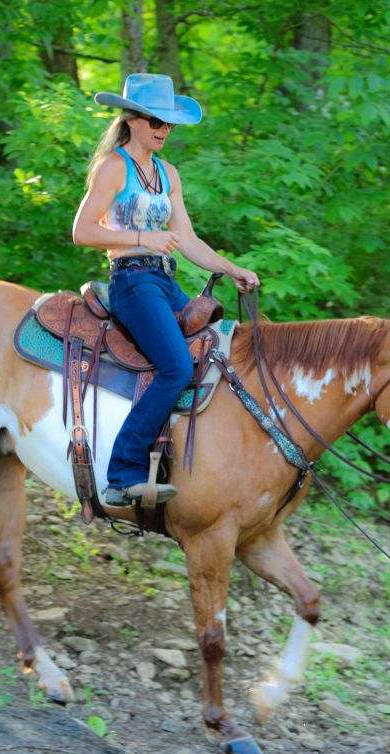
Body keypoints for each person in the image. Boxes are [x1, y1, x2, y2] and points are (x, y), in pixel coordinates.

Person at [72, 73, 260, 508]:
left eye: (169, 123)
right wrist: (142, 239)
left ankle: (199, 462)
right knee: (175, 367)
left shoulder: (167, 173)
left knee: (221, 345)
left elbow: (187, 240)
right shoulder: (114, 167)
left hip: (163, 279)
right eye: (155, 121)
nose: (163, 130)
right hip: (131, 281)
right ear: (133, 119)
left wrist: (231, 269)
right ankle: (121, 474)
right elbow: (81, 230)